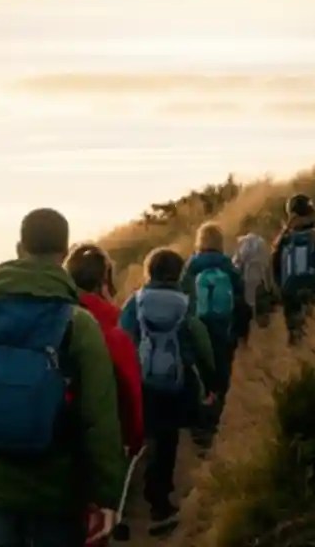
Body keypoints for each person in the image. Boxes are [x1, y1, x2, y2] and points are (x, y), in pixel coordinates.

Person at [0, 208, 125, 547]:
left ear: (19, 248)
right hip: (57, 490)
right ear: (63, 254)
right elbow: (99, 417)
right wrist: (106, 495)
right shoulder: (79, 323)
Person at [120, 248, 216, 538]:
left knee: (138, 443)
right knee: (167, 441)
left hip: (141, 385)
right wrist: (211, 380)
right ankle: (160, 505)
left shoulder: (134, 303)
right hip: (177, 384)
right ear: (179, 274)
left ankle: (122, 509)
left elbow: (122, 339)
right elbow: (200, 343)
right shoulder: (185, 304)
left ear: (148, 272)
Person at [64, 243, 145, 547]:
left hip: (28, 459)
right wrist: (133, 444)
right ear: (104, 282)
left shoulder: (49, 320)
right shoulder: (112, 334)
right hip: (90, 464)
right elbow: (132, 401)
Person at [179, 223, 246, 450]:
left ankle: (199, 428)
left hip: (197, 332)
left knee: (199, 378)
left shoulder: (190, 268)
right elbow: (241, 303)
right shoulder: (229, 268)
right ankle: (213, 425)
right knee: (220, 379)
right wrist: (239, 333)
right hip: (223, 334)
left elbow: (182, 302)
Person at [272, 194, 315, 346]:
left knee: (295, 334)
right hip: (314, 290)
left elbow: (275, 270)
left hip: (290, 295)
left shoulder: (283, 240)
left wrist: (282, 292)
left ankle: (297, 364)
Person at [233, 232, 277, 329]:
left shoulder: (242, 244)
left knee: (244, 311)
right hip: (261, 283)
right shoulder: (263, 244)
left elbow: (236, 266)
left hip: (246, 283)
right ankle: (262, 321)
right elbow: (268, 266)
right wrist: (270, 287)